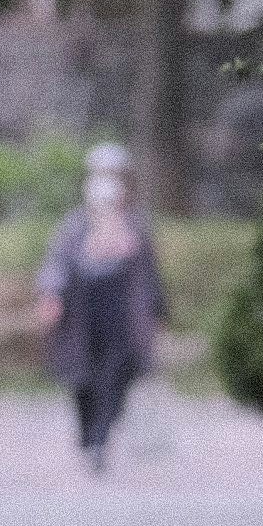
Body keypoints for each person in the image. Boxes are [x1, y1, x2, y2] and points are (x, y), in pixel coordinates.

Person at [35, 143, 163, 470]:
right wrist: (51, 295)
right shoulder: (75, 224)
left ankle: (100, 438)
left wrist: (157, 311)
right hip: (83, 312)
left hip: (122, 316)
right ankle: (89, 435)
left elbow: (149, 276)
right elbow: (58, 263)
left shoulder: (136, 225)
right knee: (83, 380)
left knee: (115, 376)